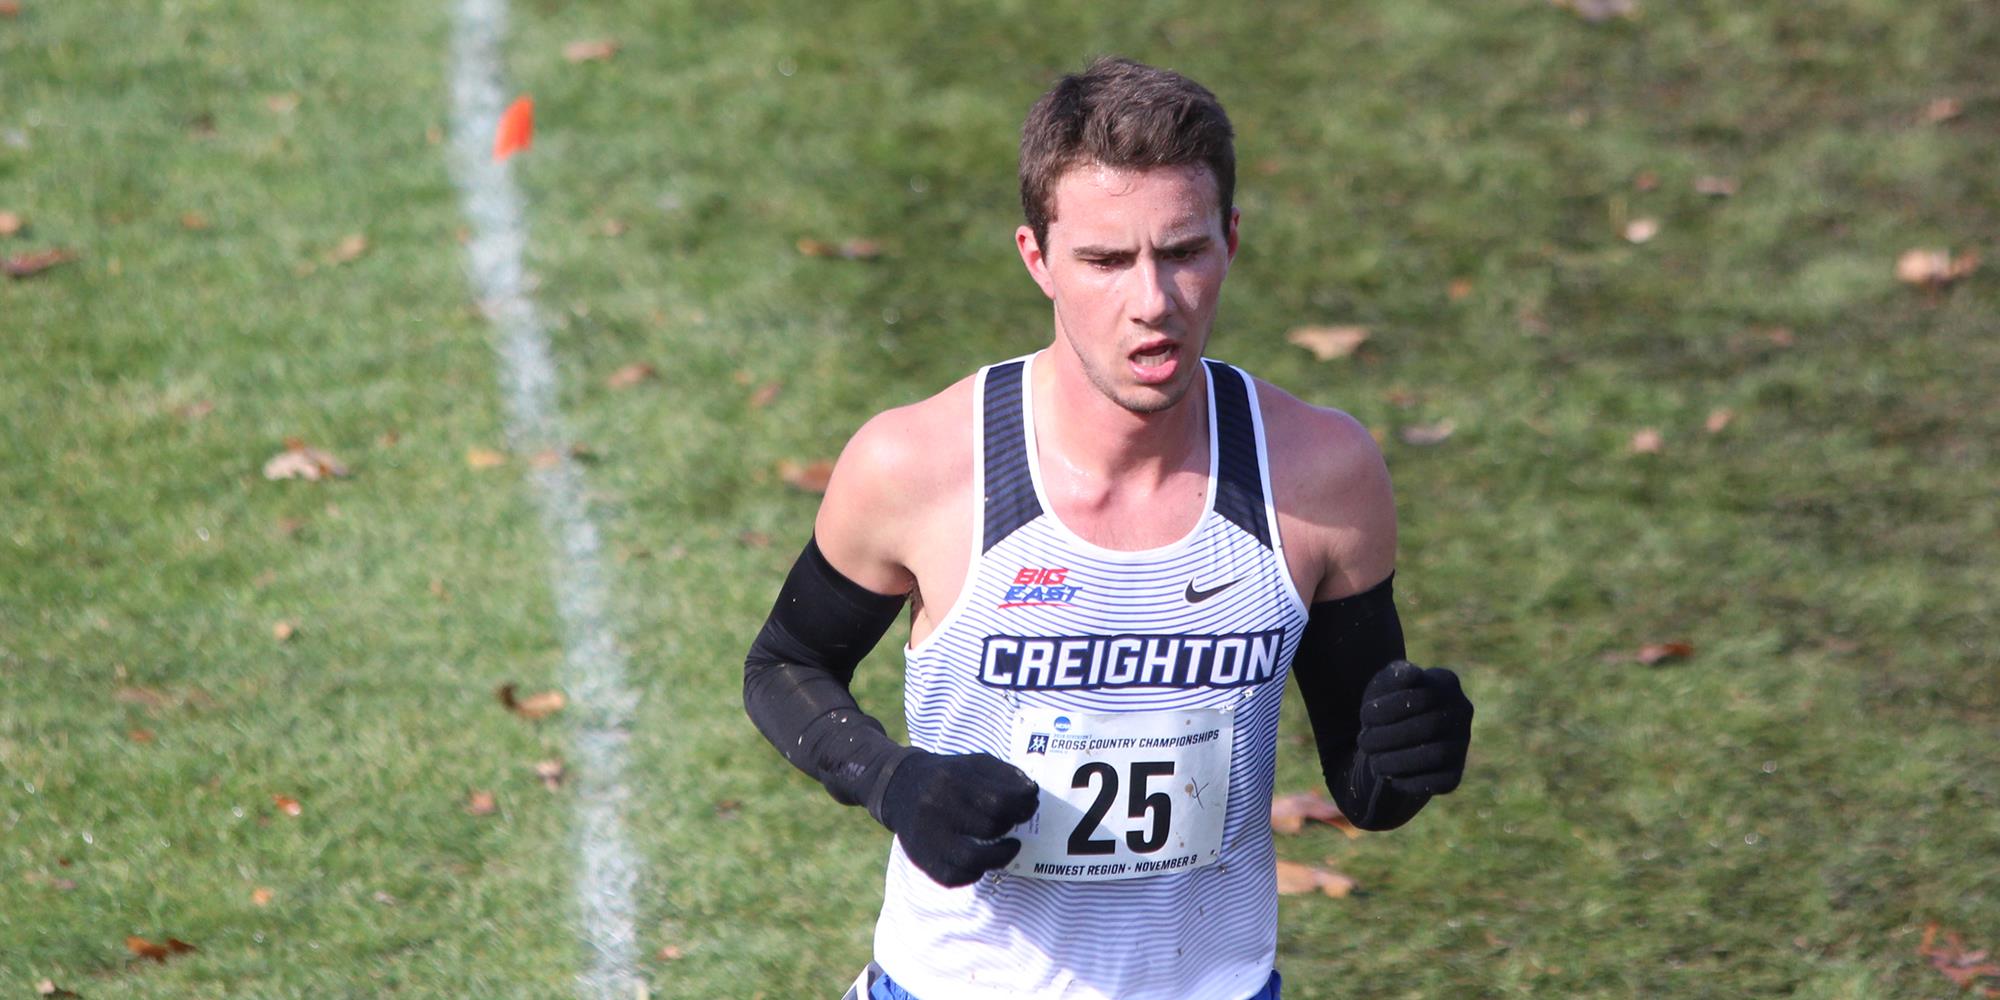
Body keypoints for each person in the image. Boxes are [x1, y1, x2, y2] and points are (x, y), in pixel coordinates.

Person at [744, 56, 1474, 1000]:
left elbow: (1368, 789)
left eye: (1183, 252)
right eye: (1104, 261)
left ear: (1231, 241)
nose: (1152, 302)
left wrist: (1415, 750)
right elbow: (785, 666)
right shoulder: (917, 467)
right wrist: (897, 783)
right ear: (1036, 258)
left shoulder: (1321, 473)